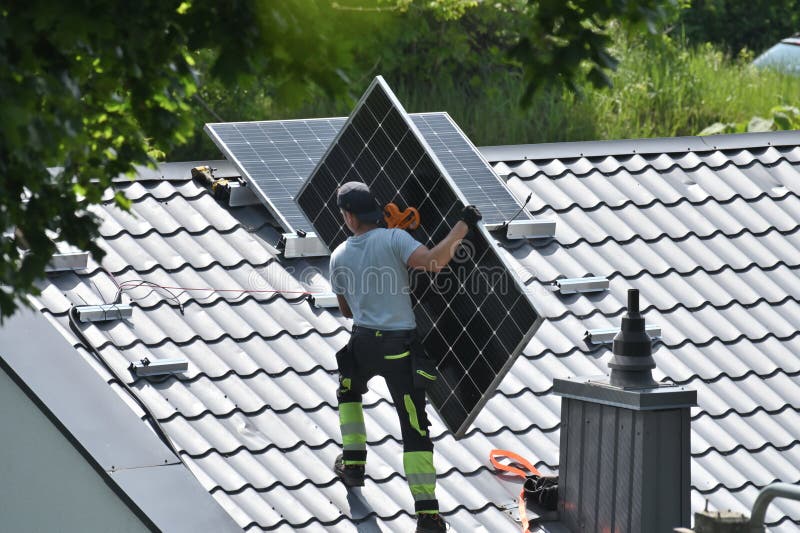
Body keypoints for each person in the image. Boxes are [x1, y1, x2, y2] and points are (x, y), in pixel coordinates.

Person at [329, 181, 482, 533]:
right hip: (399, 348)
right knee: (413, 426)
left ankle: (353, 465)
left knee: (349, 391)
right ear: (373, 212)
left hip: (363, 344)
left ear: (349, 218)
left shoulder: (338, 256)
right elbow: (434, 262)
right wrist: (463, 224)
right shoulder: (394, 239)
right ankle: (427, 515)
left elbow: (345, 310)